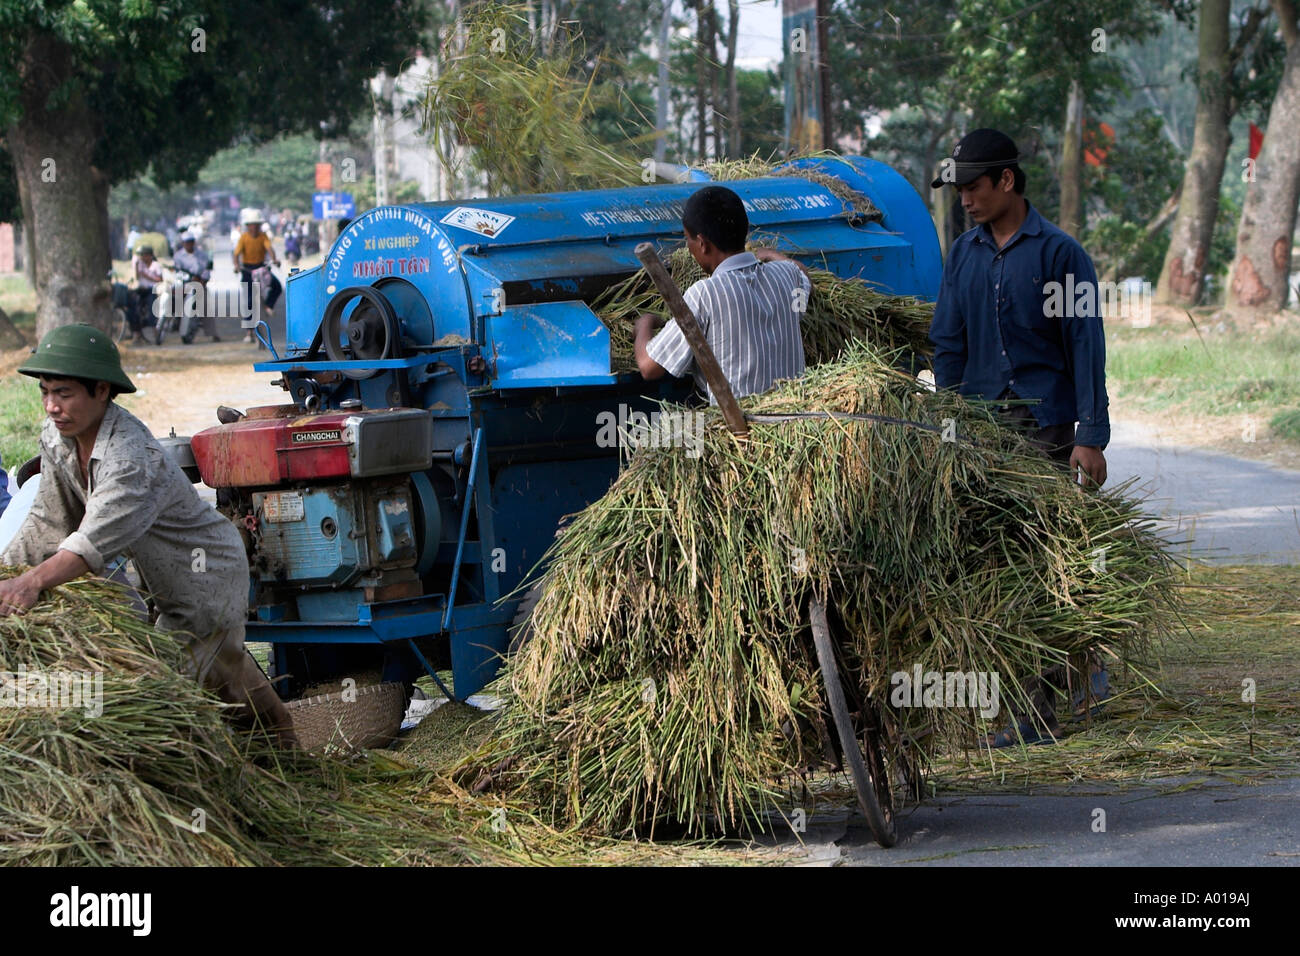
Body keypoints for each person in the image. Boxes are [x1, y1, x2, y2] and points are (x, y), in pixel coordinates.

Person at [0, 326, 298, 746]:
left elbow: (89, 547)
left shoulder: (128, 457)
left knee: (172, 688)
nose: (51, 406)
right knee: (217, 667)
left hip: (204, 572)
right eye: (45, 392)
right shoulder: (58, 438)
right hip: (156, 573)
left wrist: (30, 583)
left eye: (64, 393)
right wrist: (7, 573)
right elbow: (49, 522)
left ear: (102, 391)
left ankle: (266, 759)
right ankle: (279, 735)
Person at [928, 128, 1111, 746]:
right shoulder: (964, 254)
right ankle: (1029, 701)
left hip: (1052, 426)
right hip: (985, 429)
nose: (965, 201)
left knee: (1055, 559)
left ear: (1007, 181)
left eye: (974, 188)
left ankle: (1067, 689)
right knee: (998, 563)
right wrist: (949, 423)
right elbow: (948, 343)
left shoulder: (1061, 254)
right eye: (959, 192)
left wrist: (1092, 434)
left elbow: (1086, 343)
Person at [635, 185, 811, 403]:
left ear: (702, 244)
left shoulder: (704, 294)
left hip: (742, 431)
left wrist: (644, 324)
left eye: (687, 239)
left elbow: (649, 368)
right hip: (797, 420)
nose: (688, 247)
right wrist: (770, 254)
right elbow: (802, 272)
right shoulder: (787, 276)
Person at [233, 208, 282, 344]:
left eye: (257, 224)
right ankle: (249, 332)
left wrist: (275, 259)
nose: (254, 227)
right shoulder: (243, 237)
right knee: (249, 300)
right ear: (248, 226)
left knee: (277, 287)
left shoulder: (263, 236)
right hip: (247, 270)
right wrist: (236, 266)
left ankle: (268, 306)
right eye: (252, 224)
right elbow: (236, 254)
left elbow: (269, 249)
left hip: (261, 268)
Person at [173, 231, 219, 343]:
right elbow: (177, 271)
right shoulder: (178, 256)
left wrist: (203, 280)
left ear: (193, 243)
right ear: (183, 243)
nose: (188, 244)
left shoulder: (202, 255)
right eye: (186, 242)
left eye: (190, 242)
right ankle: (173, 322)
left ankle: (212, 333)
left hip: (199, 284)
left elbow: (206, 270)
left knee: (204, 307)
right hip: (183, 283)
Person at [131, 245, 164, 344]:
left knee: (151, 308)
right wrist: (137, 267)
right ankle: (137, 333)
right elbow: (137, 277)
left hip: (151, 289)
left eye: (144, 255)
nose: (143, 258)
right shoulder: (140, 264)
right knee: (133, 307)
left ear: (149, 256)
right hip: (141, 289)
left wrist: (146, 275)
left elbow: (160, 279)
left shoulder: (155, 265)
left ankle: (155, 332)